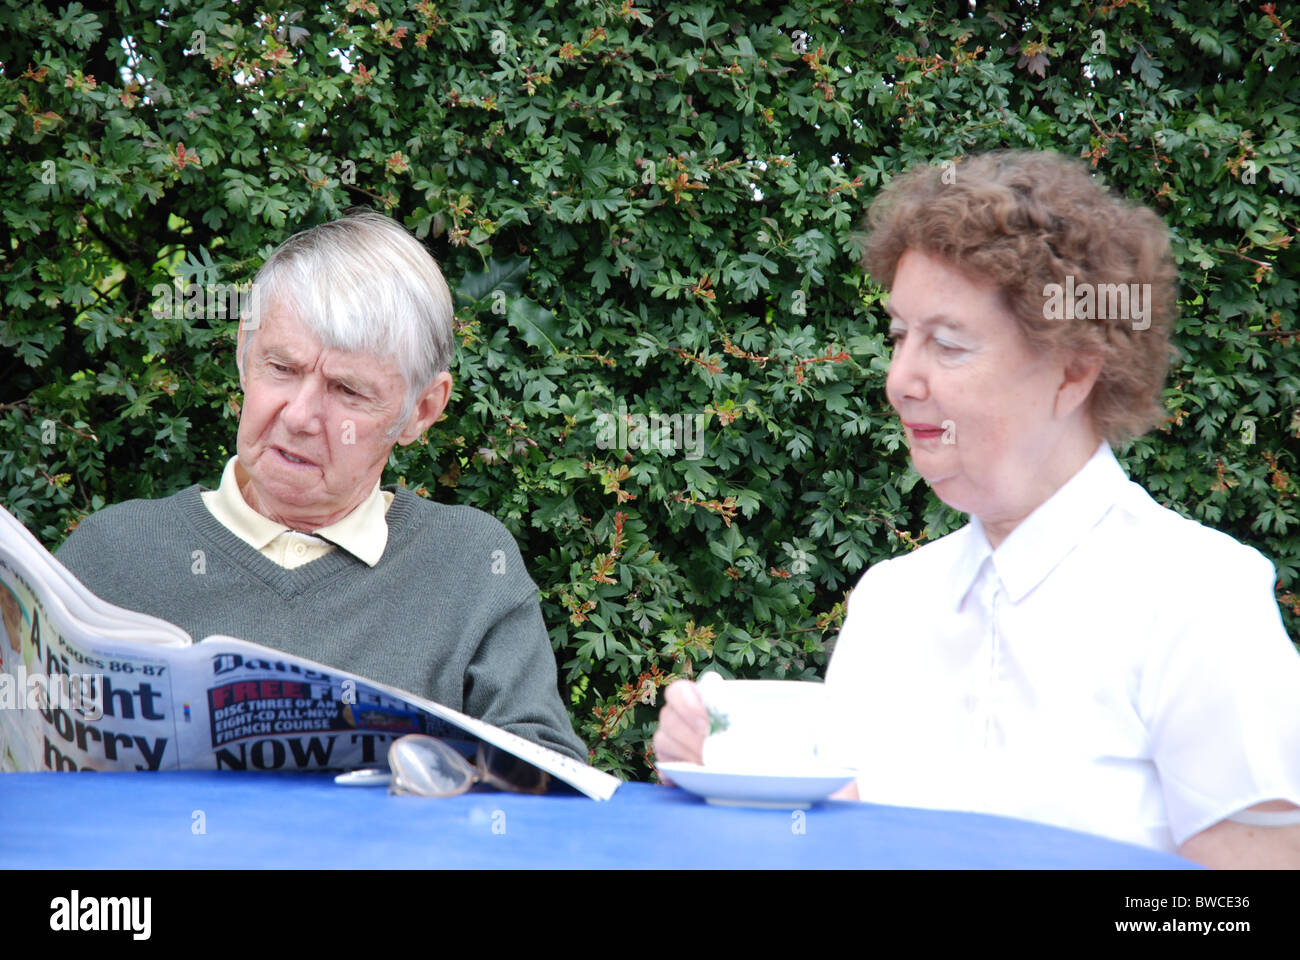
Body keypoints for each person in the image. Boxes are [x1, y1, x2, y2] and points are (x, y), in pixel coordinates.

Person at [653, 150, 1300, 867]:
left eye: (948, 344)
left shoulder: (1197, 599)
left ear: (1074, 369)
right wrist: (733, 775)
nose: (900, 380)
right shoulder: (890, 602)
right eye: (899, 335)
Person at [56, 210, 588, 763]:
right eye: (280, 367)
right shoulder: (115, 551)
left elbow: (548, 780)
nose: (300, 415)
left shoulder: (470, 565)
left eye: (347, 391)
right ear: (243, 352)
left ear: (421, 410)